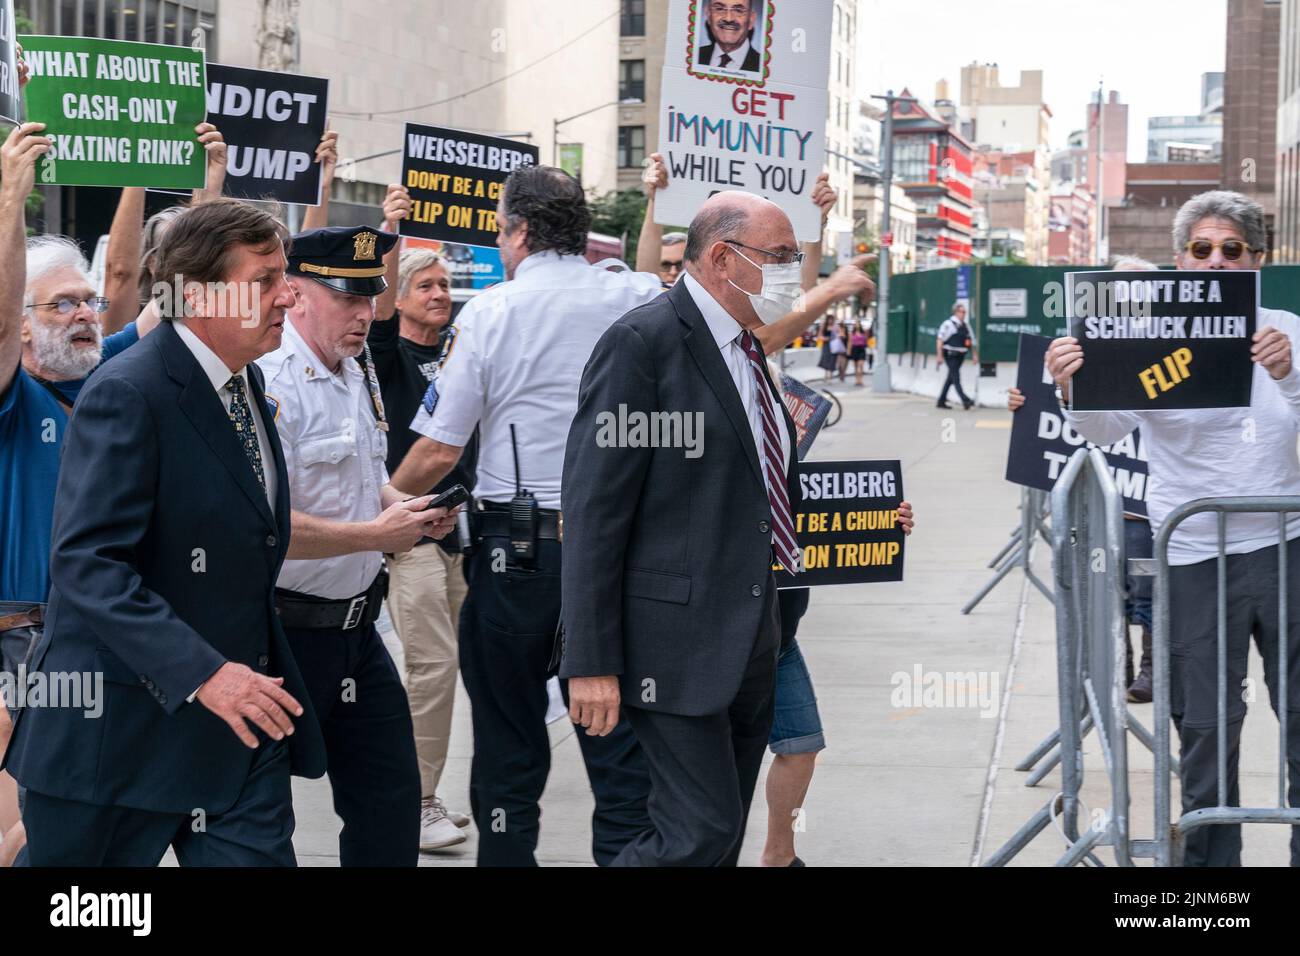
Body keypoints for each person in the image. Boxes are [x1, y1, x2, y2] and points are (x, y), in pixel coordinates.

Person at [561, 190, 912, 866]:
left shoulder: (749, 352)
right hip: (673, 648)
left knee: (717, 840)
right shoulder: (643, 343)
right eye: (778, 257)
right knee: (702, 834)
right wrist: (591, 661)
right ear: (723, 258)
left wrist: (871, 519)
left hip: (754, 638)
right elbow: (594, 513)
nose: (790, 272)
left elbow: (759, 492)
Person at [4, 199, 331, 866]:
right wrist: (204, 673)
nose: (288, 293)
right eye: (266, 279)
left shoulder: (246, 384)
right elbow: (88, 565)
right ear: (203, 294)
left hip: (239, 734)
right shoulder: (128, 391)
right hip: (117, 739)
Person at [389, 165, 660, 867]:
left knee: (509, 743)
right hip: (621, 553)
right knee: (620, 744)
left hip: (518, 553)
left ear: (519, 232)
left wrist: (384, 505)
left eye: (503, 231)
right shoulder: (632, 296)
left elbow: (442, 445)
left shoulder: (492, 313)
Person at [1047, 189, 1300, 867]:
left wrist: (1289, 374)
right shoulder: (1146, 330)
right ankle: (1212, 876)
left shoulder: (1286, 328)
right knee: (1206, 723)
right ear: (1180, 260)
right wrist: (1071, 387)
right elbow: (1104, 428)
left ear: (1257, 261)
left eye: (1232, 249)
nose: (1216, 261)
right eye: (1201, 249)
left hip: (1285, 549)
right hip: (1190, 555)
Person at [257, 225, 459, 867]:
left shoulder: (355, 365)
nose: (365, 314)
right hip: (280, 638)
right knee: (254, 818)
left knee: (390, 800)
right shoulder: (269, 380)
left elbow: (363, 478)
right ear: (295, 293)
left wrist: (406, 509)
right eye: (347, 297)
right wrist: (377, 535)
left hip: (356, 632)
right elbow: (265, 525)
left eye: (371, 297)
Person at [0, 119, 168, 866]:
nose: (84, 316)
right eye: (60, 305)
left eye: (85, 303)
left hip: (88, 644)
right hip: (13, 644)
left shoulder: (105, 379)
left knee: (67, 834)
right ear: (23, 333)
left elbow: (141, 288)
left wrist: (145, 160)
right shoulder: (11, 397)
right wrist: (11, 200)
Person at [368, 183, 479, 850]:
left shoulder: (460, 348)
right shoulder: (383, 353)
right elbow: (378, 307)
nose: (440, 293)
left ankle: (426, 793)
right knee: (433, 664)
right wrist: (391, 229)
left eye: (445, 284)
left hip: (464, 531)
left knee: (470, 664)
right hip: (410, 532)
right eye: (427, 285)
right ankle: (417, 801)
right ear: (402, 297)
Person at [698, 0, 762, 73]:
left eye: (738, 10)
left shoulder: (762, 66)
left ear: (751, 20)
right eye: (719, 9)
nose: (728, 18)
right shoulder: (694, 56)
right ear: (709, 15)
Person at [936, 302, 975, 410]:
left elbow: (970, 342)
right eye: (961, 312)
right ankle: (965, 400)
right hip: (950, 355)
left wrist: (974, 355)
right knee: (956, 377)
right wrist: (939, 355)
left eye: (964, 312)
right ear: (955, 312)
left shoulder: (965, 326)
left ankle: (941, 401)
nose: (963, 314)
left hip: (960, 355)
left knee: (950, 378)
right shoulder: (948, 324)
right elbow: (940, 340)